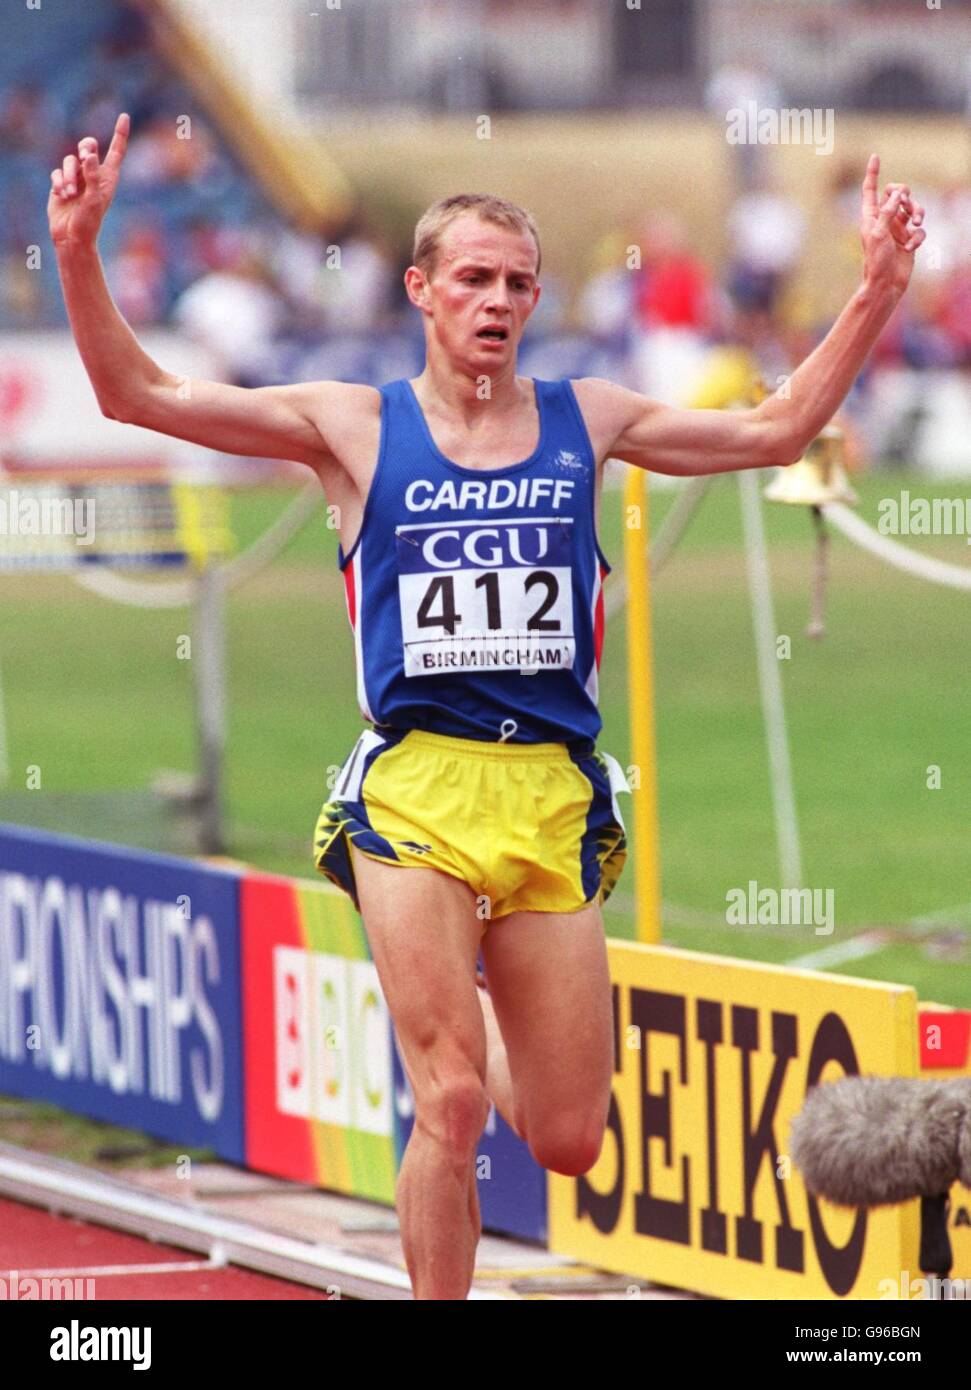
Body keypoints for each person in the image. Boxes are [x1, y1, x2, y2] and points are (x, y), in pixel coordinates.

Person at [49, 113, 926, 1301]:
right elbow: (134, 393)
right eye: (471, 278)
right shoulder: (351, 424)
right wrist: (80, 248)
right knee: (449, 1099)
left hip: (551, 795)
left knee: (567, 1137)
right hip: (415, 789)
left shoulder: (590, 418)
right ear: (419, 289)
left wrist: (872, 291)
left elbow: (771, 429)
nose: (497, 300)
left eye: (517, 281)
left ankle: (483, 1012)